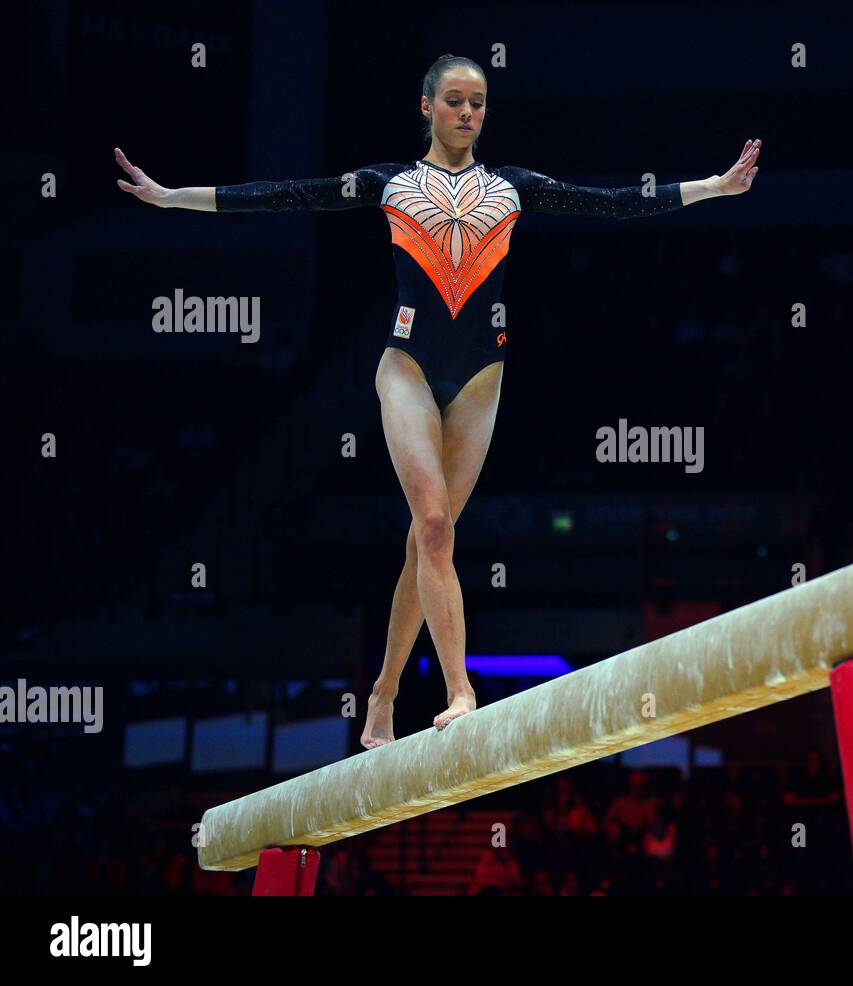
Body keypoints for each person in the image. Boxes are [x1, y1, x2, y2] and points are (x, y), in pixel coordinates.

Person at [115, 54, 762, 738]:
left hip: (483, 376)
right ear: (426, 106)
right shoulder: (389, 183)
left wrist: (714, 187)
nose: (467, 113)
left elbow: (612, 202)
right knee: (433, 526)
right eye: (454, 100)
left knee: (427, 545)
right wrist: (172, 197)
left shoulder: (514, 187)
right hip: (409, 368)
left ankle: (383, 695)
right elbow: (285, 192)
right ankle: (460, 690)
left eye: (477, 103)